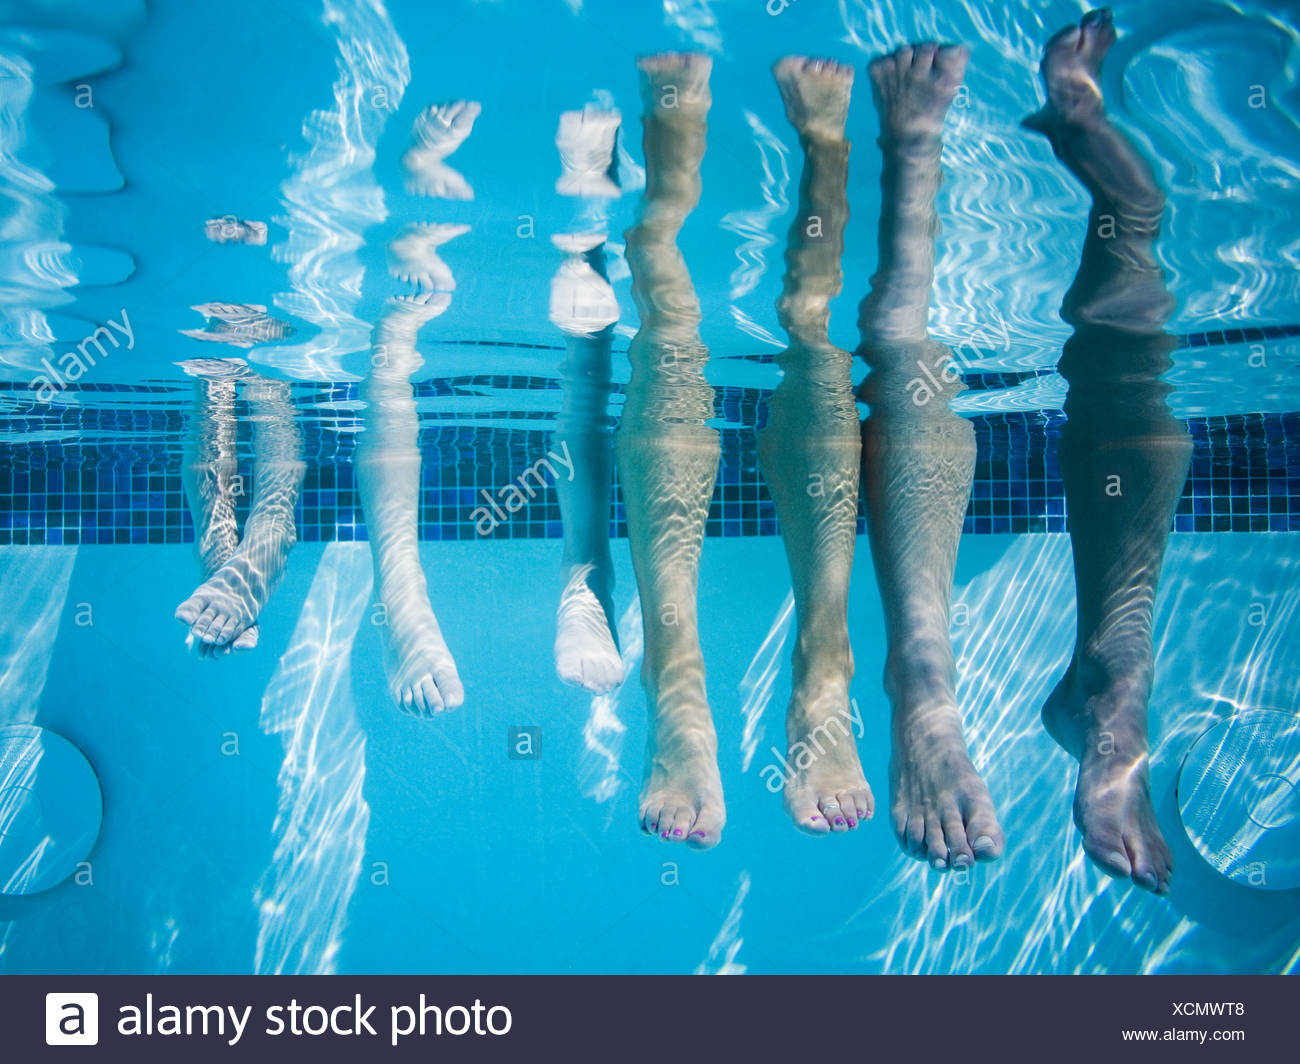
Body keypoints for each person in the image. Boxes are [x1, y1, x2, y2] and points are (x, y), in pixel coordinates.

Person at [1027, 8, 1190, 894]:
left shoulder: (1123, 326)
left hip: (1118, 392)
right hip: (1118, 402)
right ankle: (1109, 694)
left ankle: (1113, 704)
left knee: (1137, 209)